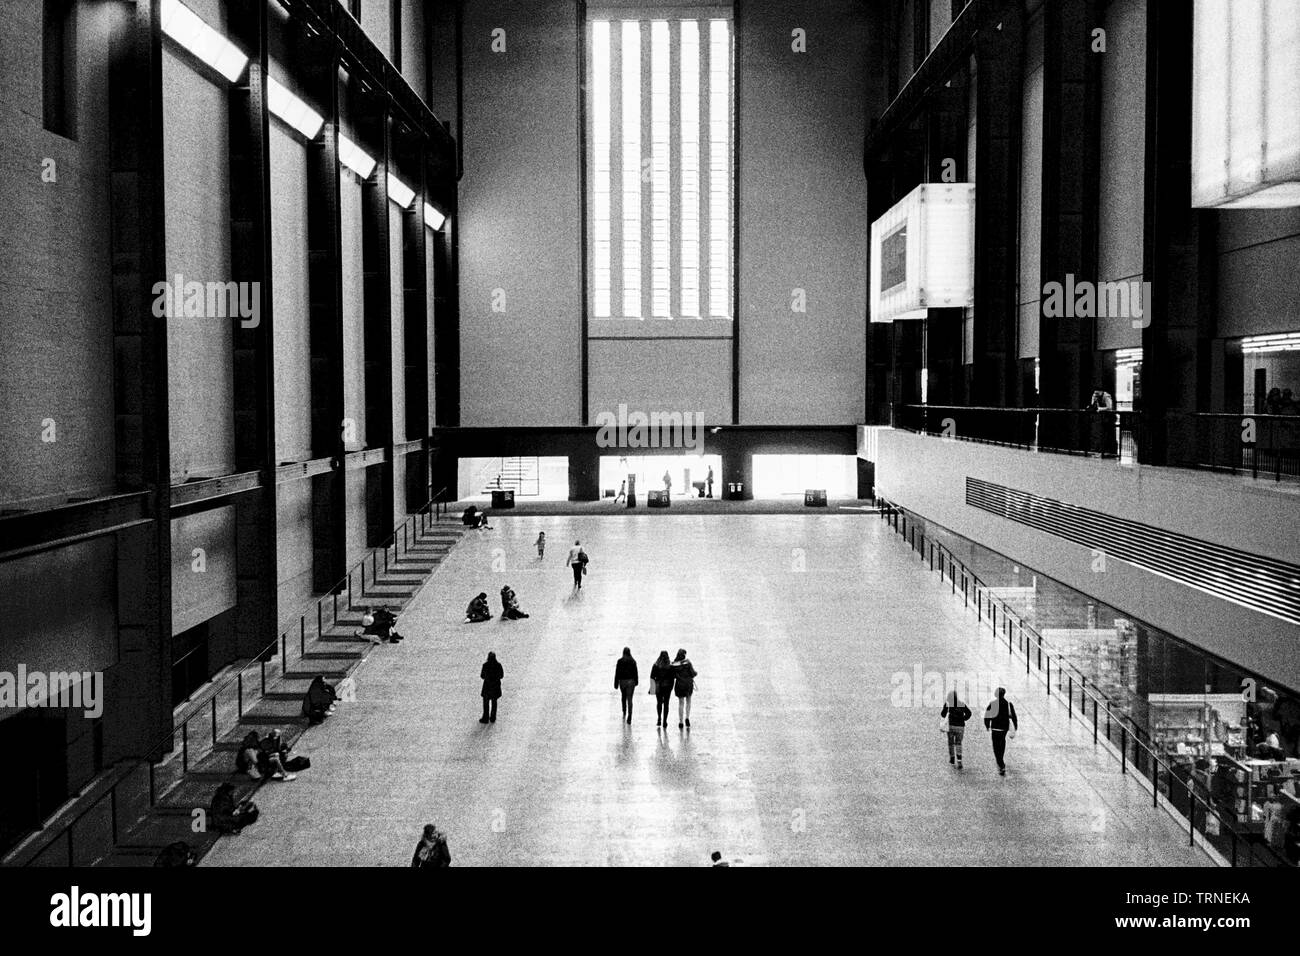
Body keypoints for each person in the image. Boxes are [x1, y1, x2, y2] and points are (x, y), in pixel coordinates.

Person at [983, 687, 1019, 776]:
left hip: (995, 727)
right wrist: (1015, 726)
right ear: (1004, 694)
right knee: (1002, 743)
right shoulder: (1008, 704)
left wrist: (987, 725)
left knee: (995, 746)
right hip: (1004, 728)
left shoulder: (992, 704)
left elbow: (987, 715)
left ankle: (1000, 763)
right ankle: (1001, 760)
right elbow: (1014, 716)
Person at [941, 689, 972, 769]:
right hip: (960, 727)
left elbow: (943, 714)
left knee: (951, 743)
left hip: (951, 726)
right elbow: (969, 713)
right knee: (958, 743)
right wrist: (963, 719)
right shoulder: (961, 704)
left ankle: (952, 758)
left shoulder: (948, 704)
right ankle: (959, 760)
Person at [673, 648, 697, 730]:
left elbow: (673, 675)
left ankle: (681, 722)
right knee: (688, 701)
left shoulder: (674, 665)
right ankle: (687, 717)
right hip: (688, 684)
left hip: (680, 685)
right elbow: (693, 673)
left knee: (681, 703)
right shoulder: (688, 663)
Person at [650, 650, 675, 729]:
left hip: (659, 686)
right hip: (667, 687)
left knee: (659, 703)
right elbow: (673, 678)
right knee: (666, 704)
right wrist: (671, 688)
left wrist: (652, 688)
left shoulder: (656, 665)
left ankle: (659, 718)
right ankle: (665, 721)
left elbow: (652, 677)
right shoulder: (670, 666)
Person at [614, 647, 639, 725]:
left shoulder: (620, 661)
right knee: (630, 699)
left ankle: (624, 710)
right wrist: (636, 681)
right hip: (631, 682)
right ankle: (630, 716)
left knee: (623, 696)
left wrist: (616, 683)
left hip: (622, 682)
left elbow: (617, 673)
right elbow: (635, 672)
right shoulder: (633, 661)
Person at [480, 651, 504, 723]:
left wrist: (488, 678)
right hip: (495, 687)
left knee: (486, 703)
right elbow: (501, 675)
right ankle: (493, 717)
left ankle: (485, 717)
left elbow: (482, 676)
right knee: (494, 702)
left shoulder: (485, 665)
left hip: (487, 687)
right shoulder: (498, 665)